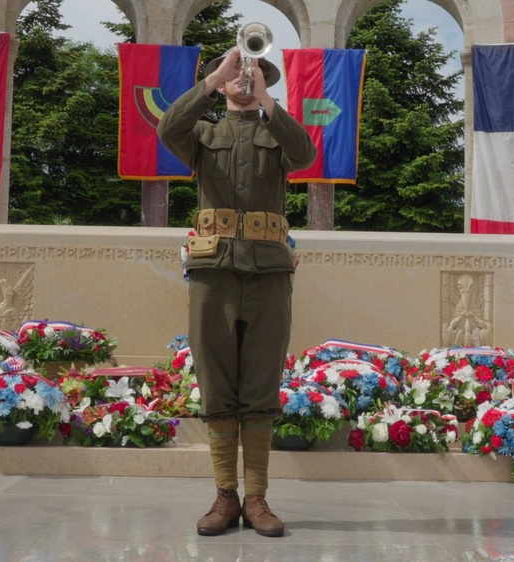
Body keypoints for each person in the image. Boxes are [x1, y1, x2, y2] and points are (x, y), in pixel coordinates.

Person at [157, 46, 316, 538]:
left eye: (255, 74)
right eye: (236, 75)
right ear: (223, 82)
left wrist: (267, 100)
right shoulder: (203, 134)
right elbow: (168, 129)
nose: (244, 80)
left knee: (261, 384)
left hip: (268, 274)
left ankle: (257, 498)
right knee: (217, 380)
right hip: (214, 273)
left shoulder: (277, 131)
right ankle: (225, 496)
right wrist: (210, 82)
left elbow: (305, 154)